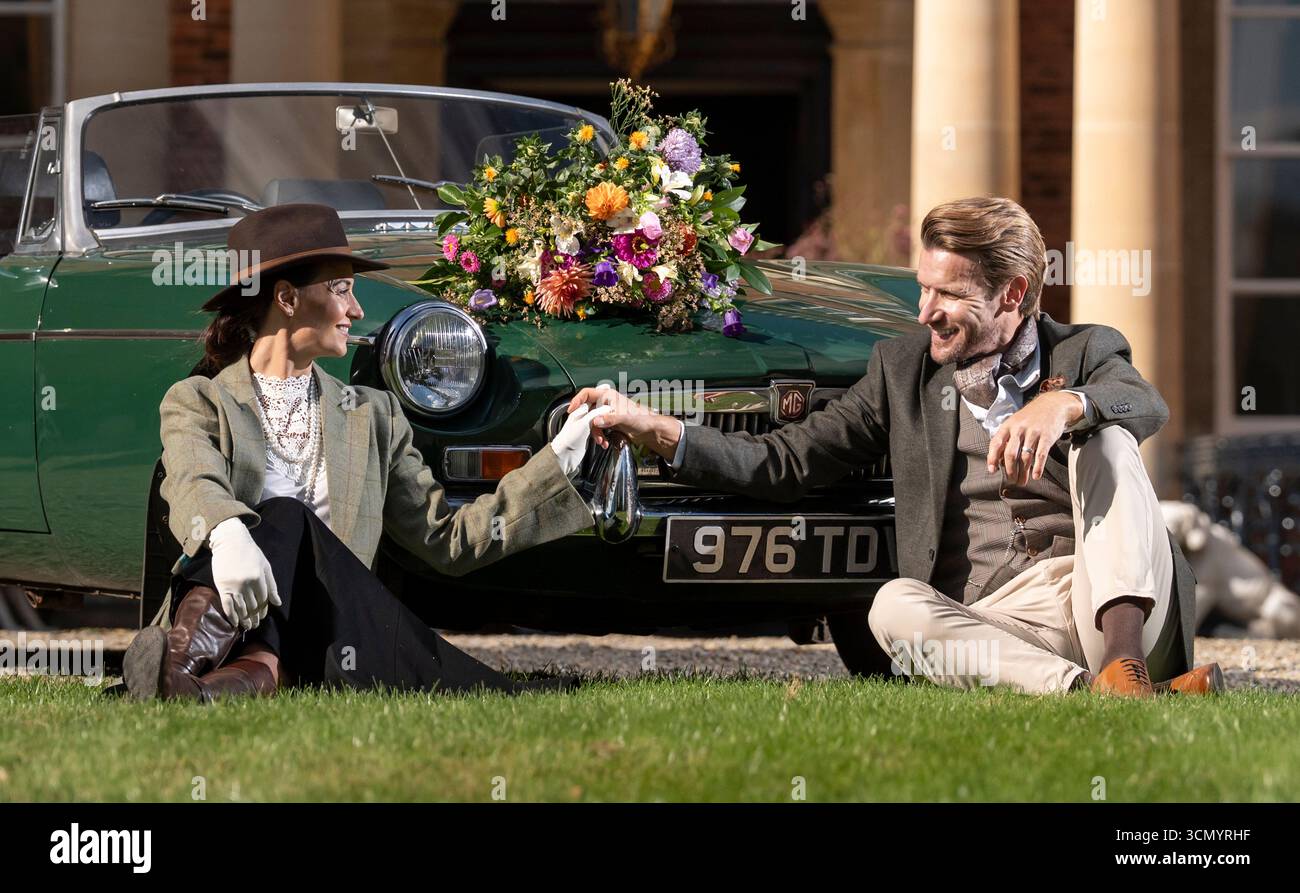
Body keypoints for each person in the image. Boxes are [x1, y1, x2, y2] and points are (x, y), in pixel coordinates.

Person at [568, 196, 1223, 697]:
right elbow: (788, 459)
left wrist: (1065, 402)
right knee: (893, 605)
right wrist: (655, 428)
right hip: (1000, 623)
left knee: (1106, 436)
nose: (924, 310)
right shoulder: (903, 370)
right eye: (923, 287)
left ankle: (1124, 667)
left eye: (949, 294)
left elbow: (1143, 401)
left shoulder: (1085, 350)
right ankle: (1091, 696)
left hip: (1117, 600)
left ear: (1014, 293)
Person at [122, 203, 609, 702]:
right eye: (342, 290)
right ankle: (186, 684)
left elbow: (447, 539)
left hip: (335, 633)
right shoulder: (200, 399)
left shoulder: (373, 415)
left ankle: (174, 673)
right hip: (235, 621)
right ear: (287, 298)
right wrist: (226, 534)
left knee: (286, 515)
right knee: (275, 533)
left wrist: (560, 460)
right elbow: (191, 480)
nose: (356, 311)